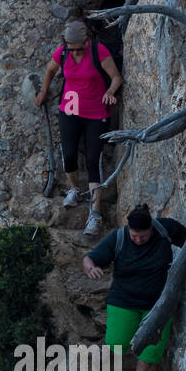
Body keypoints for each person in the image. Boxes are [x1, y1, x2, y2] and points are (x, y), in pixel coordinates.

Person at [82, 204, 186, 371]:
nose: (138, 240)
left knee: (150, 353)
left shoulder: (166, 229)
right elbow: (89, 259)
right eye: (134, 236)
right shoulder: (119, 237)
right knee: (116, 343)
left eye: (143, 236)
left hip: (159, 304)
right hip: (123, 301)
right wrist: (91, 269)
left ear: (151, 229)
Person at [34, 18, 122, 236]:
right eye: (70, 49)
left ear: (86, 42)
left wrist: (110, 92)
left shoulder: (98, 51)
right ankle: (74, 189)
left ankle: (95, 214)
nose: (74, 53)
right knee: (69, 154)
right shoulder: (62, 53)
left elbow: (116, 78)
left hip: (95, 112)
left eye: (78, 49)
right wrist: (44, 92)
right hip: (70, 108)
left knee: (94, 160)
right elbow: (50, 69)